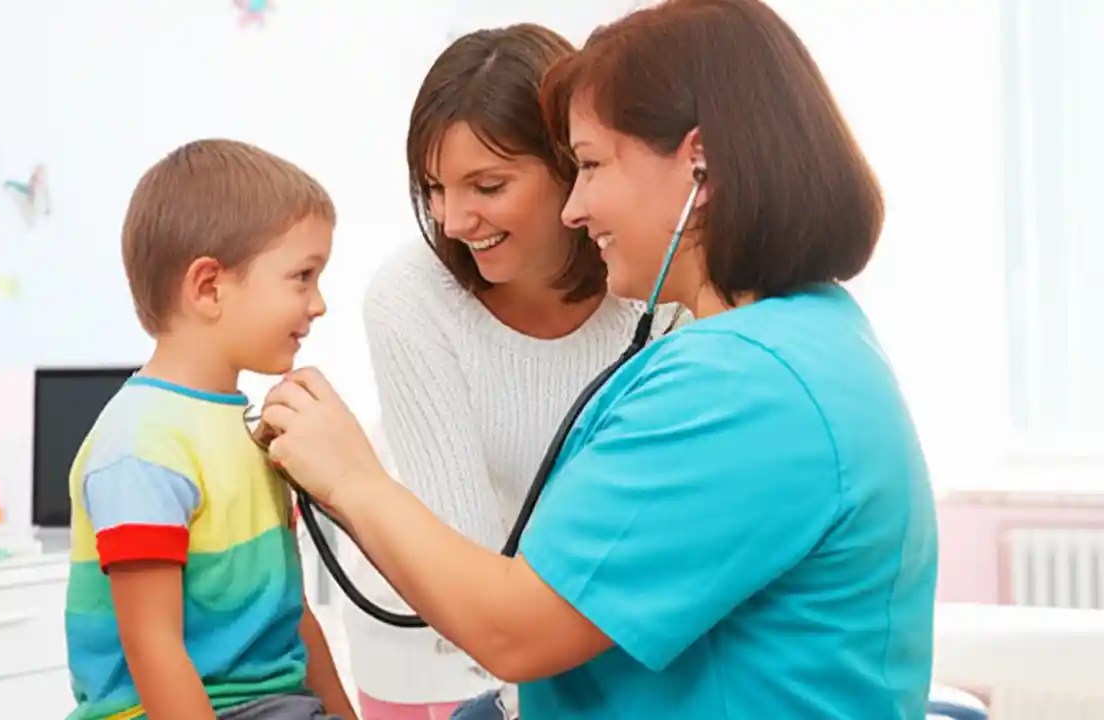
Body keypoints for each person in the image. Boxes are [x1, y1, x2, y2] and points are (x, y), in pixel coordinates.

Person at [257, 1, 938, 718]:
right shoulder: (802, 338)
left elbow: (512, 632)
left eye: (588, 166)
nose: (575, 209)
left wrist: (352, 478)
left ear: (699, 167)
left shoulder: (739, 387)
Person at [352, 23, 680, 720]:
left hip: (573, 642)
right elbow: (472, 560)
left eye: (488, 185)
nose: (454, 218)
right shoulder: (410, 298)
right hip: (448, 644)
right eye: (435, 187)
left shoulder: (661, 294)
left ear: (574, 166)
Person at [63, 139, 356, 720]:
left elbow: (291, 617)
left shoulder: (248, 431)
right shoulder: (143, 445)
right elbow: (154, 645)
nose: (318, 303)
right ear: (208, 288)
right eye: (302, 277)